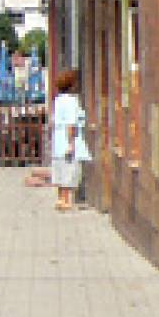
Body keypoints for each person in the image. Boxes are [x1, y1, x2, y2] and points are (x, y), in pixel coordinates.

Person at [48, 67, 89, 212]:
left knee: (59, 168)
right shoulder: (72, 101)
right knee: (69, 170)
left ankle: (60, 198)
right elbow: (71, 123)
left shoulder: (58, 100)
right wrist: (71, 143)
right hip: (67, 139)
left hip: (57, 140)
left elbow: (52, 122)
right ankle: (66, 200)